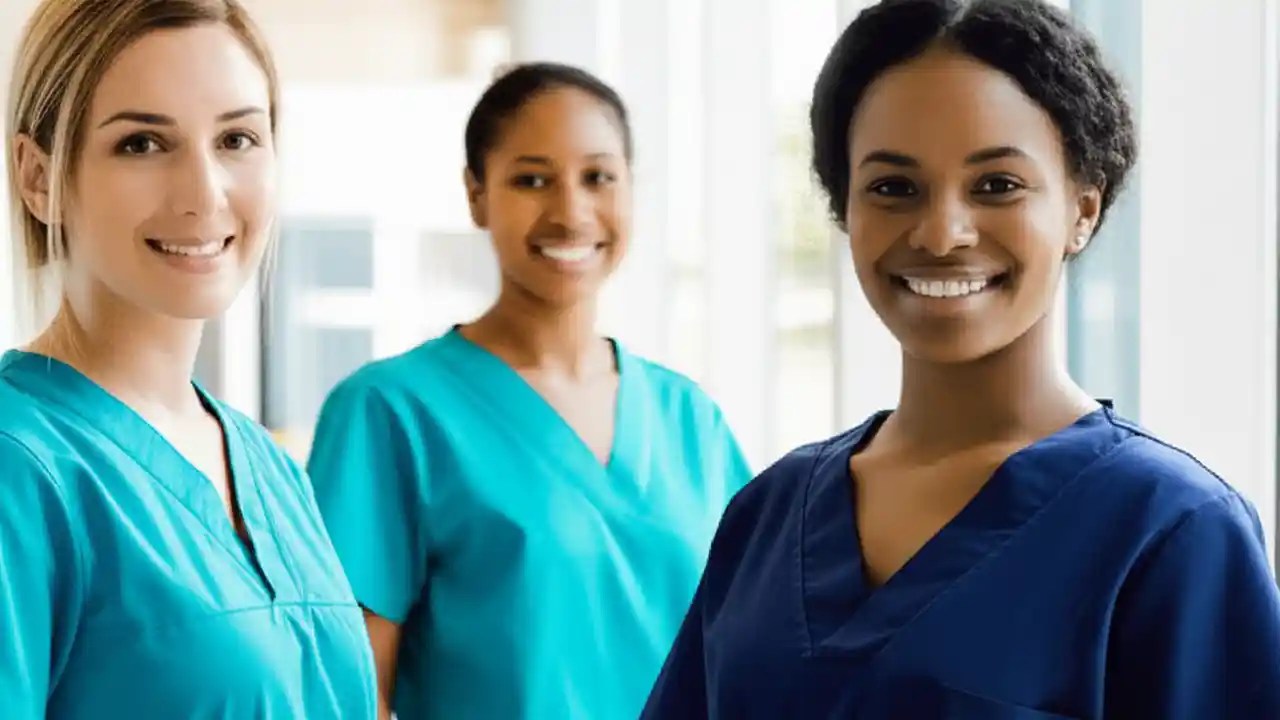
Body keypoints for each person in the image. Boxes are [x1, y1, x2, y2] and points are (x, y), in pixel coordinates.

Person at [641, 1, 1280, 718]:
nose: (942, 233)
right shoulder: (770, 515)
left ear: (1082, 209)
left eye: (997, 185)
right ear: (844, 209)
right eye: (893, 188)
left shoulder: (1171, 530)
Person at [306, 62, 753, 720]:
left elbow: (749, 649)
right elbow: (347, 691)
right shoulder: (391, 412)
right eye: (532, 179)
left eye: (598, 177)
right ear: (477, 194)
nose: (570, 211)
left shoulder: (690, 416)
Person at [0, 2, 377, 718]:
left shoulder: (268, 467)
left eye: (236, 138)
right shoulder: (19, 467)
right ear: (39, 177)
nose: (205, 194)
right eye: (143, 143)